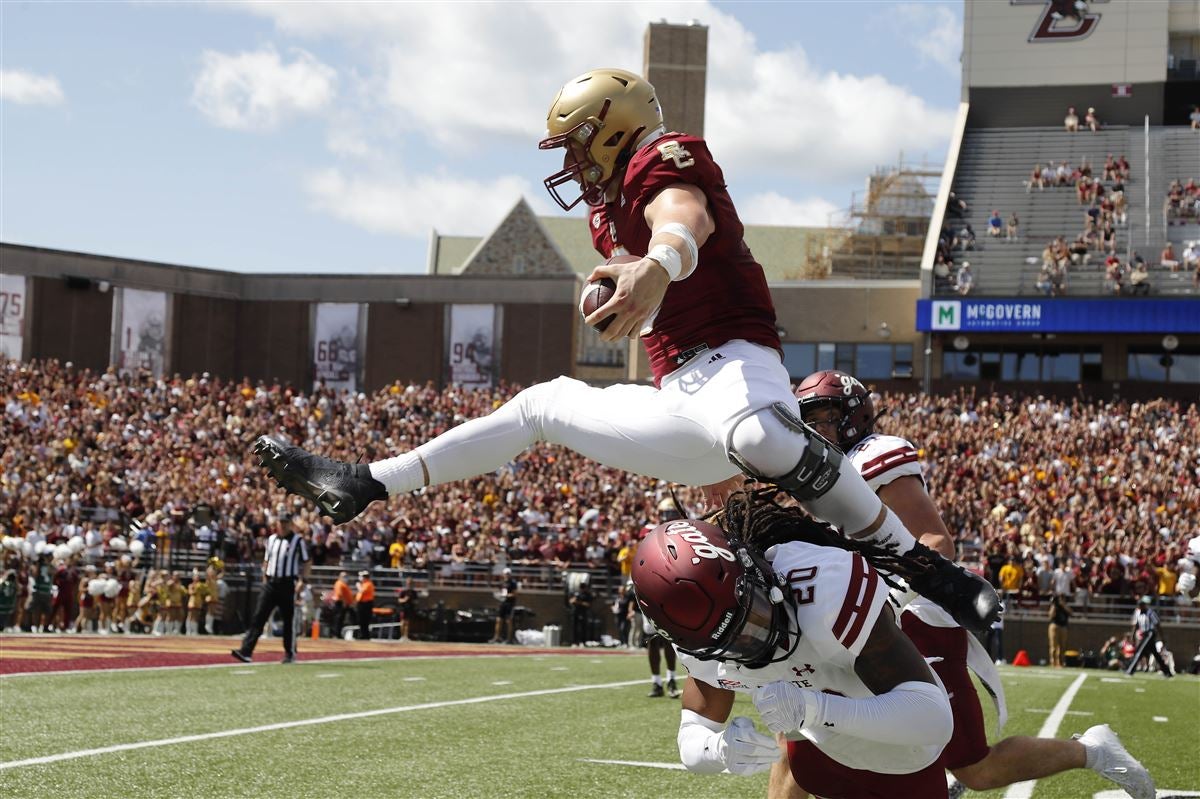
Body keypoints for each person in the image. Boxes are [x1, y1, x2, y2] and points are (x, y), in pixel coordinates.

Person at [252, 67, 999, 636]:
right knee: (542, 403)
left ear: (612, 129)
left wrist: (656, 265)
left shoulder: (662, 158)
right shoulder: (606, 216)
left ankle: (921, 565)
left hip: (740, 367)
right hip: (681, 403)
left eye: (577, 145)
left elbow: (688, 217)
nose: (571, 164)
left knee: (753, 433)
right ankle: (366, 482)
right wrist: (620, 282)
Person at [796, 370, 1155, 799]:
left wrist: (886, 599)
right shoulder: (820, 469)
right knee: (805, 737)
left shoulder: (874, 454)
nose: (817, 429)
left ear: (854, 415)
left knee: (975, 768)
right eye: (809, 420)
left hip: (911, 618)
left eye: (825, 417)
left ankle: (1090, 750)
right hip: (855, 617)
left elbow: (935, 542)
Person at [635, 492, 955, 796]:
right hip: (819, 760)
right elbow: (691, 736)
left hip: (900, 756)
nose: (754, 638)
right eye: (732, 644)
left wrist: (812, 708)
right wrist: (720, 749)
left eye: (753, 611)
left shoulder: (824, 586)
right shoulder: (700, 644)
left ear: (753, 565)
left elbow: (932, 719)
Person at [231, 512, 310, 664]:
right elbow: (266, 561)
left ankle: (290, 653)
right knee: (258, 617)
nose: (283, 525)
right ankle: (246, 651)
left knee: (288, 620)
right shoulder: (272, 539)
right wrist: (264, 580)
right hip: (270, 583)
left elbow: (307, 561)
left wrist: (303, 581)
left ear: (290, 524)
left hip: (287, 584)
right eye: (281, 522)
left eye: (285, 522)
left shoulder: (297, 540)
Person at [1125, 595, 1172, 677]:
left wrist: (1162, 637)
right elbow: (1135, 625)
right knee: (1156, 655)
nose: (1140, 607)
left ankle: (1130, 669)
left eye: (1142, 605)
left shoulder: (1151, 612)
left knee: (1140, 651)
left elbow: (1158, 625)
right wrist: (1132, 636)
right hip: (1144, 634)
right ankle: (1167, 672)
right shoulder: (1137, 612)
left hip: (1150, 633)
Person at [490, 567, 518, 644]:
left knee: (509, 621)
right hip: (503, 603)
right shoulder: (502, 583)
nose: (507, 575)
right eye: (506, 574)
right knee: (499, 620)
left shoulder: (513, 583)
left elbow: (514, 594)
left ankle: (509, 639)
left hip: (510, 603)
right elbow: (501, 592)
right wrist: (499, 596)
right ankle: (496, 637)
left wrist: (506, 595)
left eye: (508, 574)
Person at [568, 574, 593, 647]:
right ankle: (574, 642)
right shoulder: (576, 594)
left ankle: (583, 642)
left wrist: (579, 602)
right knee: (574, 628)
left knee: (583, 628)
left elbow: (588, 604)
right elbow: (570, 601)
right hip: (575, 612)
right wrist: (574, 600)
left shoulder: (587, 595)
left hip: (583, 612)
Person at [1048, 593, 1071, 668]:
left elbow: (1070, 612)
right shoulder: (1055, 606)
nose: (1061, 600)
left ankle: (1061, 662)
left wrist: (1063, 605)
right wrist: (1054, 605)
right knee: (1053, 646)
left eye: (1062, 598)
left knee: (1062, 646)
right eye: (1060, 598)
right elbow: (1050, 615)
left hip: (1063, 626)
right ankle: (1053, 662)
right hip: (1055, 626)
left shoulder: (1065, 606)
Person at [329, 570, 353, 639]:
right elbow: (340, 594)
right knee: (338, 619)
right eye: (344, 576)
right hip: (340, 603)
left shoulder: (343, 584)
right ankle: (336, 634)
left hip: (342, 603)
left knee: (340, 619)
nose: (346, 577)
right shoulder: (339, 583)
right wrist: (345, 602)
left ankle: (338, 634)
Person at [354, 569, 376, 641]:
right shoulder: (364, 584)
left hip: (366, 604)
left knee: (365, 620)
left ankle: (365, 635)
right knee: (361, 620)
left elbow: (362, 591)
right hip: (362, 604)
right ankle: (363, 635)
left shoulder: (368, 584)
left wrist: (358, 586)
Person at [395, 577, 415, 642]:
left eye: (411, 583)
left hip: (410, 608)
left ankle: (406, 636)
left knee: (408, 623)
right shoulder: (403, 591)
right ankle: (402, 636)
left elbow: (416, 600)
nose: (409, 584)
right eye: (409, 583)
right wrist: (405, 600)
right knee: (403, 622)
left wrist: (413, 602)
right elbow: (399, 600)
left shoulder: (413, 592)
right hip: (403, 608)